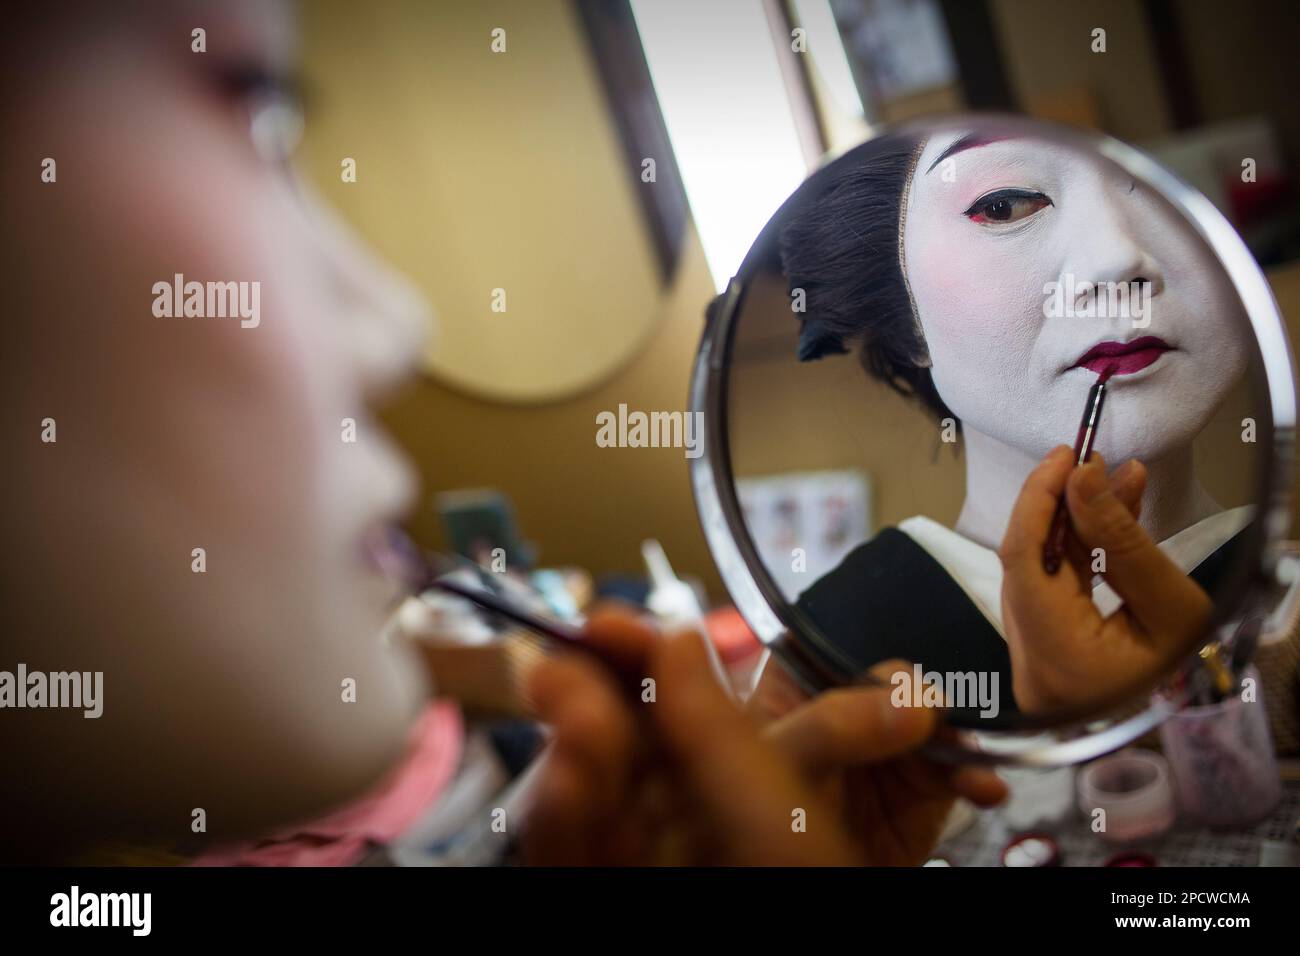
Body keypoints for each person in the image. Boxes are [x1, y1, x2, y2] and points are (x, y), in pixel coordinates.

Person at [778, 129, 1256, 717]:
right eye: (1004, 205)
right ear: (907, 322)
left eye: (1161, 194)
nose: (1117, 261)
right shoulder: (826, 655)